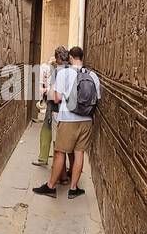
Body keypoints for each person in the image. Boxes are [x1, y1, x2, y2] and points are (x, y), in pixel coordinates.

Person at [33, 46, 101, 200]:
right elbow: (97, 99)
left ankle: (50, 186)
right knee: (79, 153)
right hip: (86, 120)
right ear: (82, 58)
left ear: (70, 57)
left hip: (67, 118)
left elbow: (56, 99)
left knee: (60, 153)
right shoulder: (93, 76)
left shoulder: (64, 73)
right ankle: (73, 188)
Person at [33, 46, 69, 169]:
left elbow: (54, 92)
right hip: (66, 109)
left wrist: (46, 92)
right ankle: (61, 166)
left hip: (54, 107)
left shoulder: (58, 70)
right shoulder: (71, 69)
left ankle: (57, 166)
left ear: (58, 57)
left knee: (52, 136)